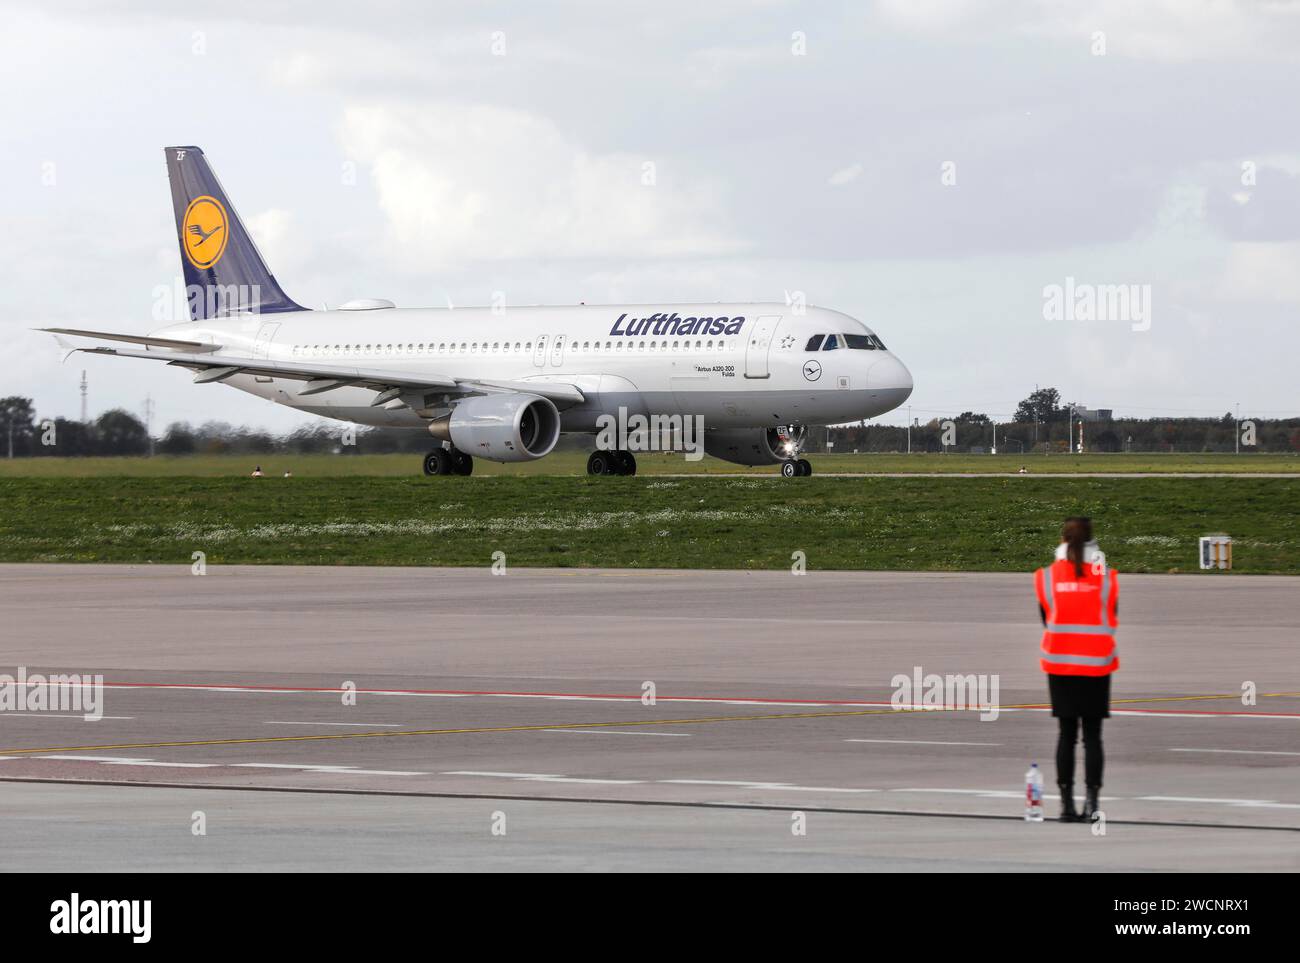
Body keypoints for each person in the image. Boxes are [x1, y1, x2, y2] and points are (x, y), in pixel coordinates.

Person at [1033, 516, 1118, 823]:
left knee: (1066, 735)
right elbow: (1111, 616)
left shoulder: (1047, 577)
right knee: (1093, 737)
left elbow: (1047, 617)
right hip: (1096, 664)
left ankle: (1067, 804)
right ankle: (1093, 801)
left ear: (1063, 539)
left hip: (1060, 664)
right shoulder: (1105, 577)